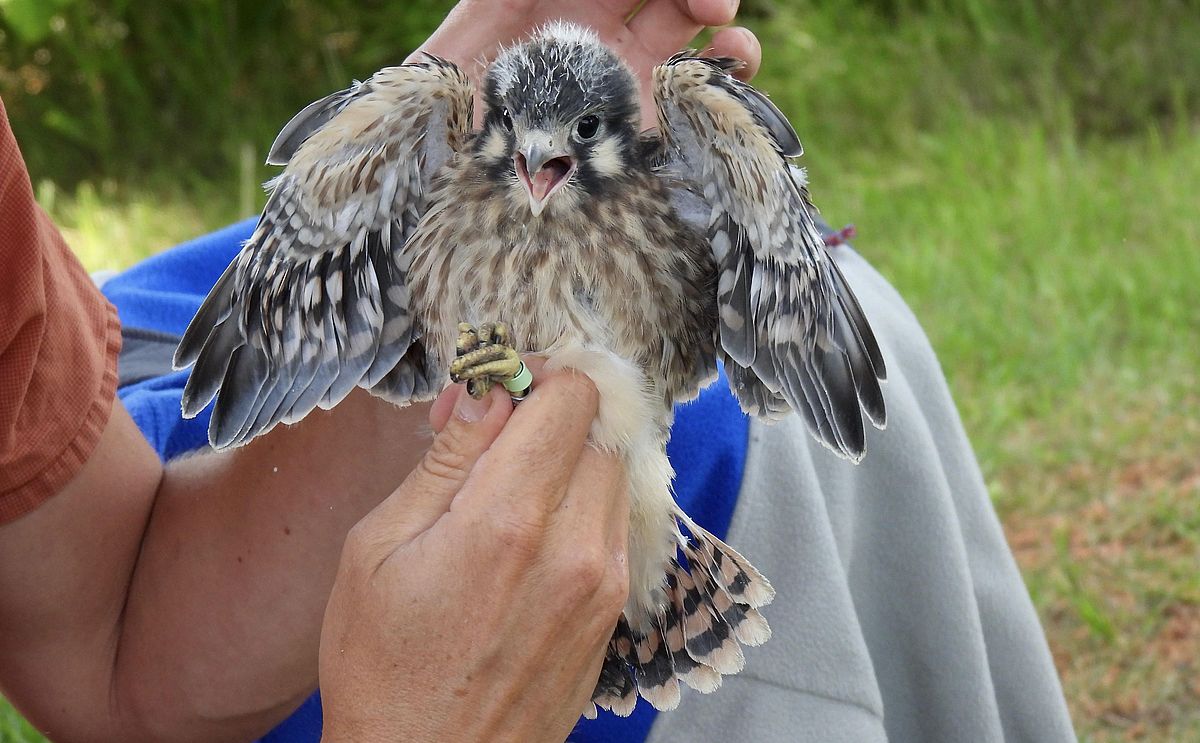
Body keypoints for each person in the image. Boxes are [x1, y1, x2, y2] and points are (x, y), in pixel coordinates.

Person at [1, 2, 1079, 742]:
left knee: (860, 324)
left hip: (590, 396)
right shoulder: (469, 179)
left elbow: (111, 640)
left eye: (569, 148)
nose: (537, 173)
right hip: (495, 387)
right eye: (520, 147)